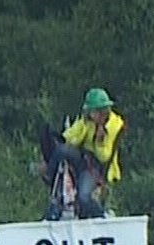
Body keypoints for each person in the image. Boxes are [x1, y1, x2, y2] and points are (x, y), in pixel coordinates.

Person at [39, 87, 124, 220]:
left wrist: (99, 140)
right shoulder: (86, 121)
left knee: (83, 197)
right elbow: (69, 137)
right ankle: (50, 175)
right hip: (83, 159)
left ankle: (101, 216)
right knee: (62, 149)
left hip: (96, 168)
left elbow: (104, 157)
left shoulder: (114, 126)